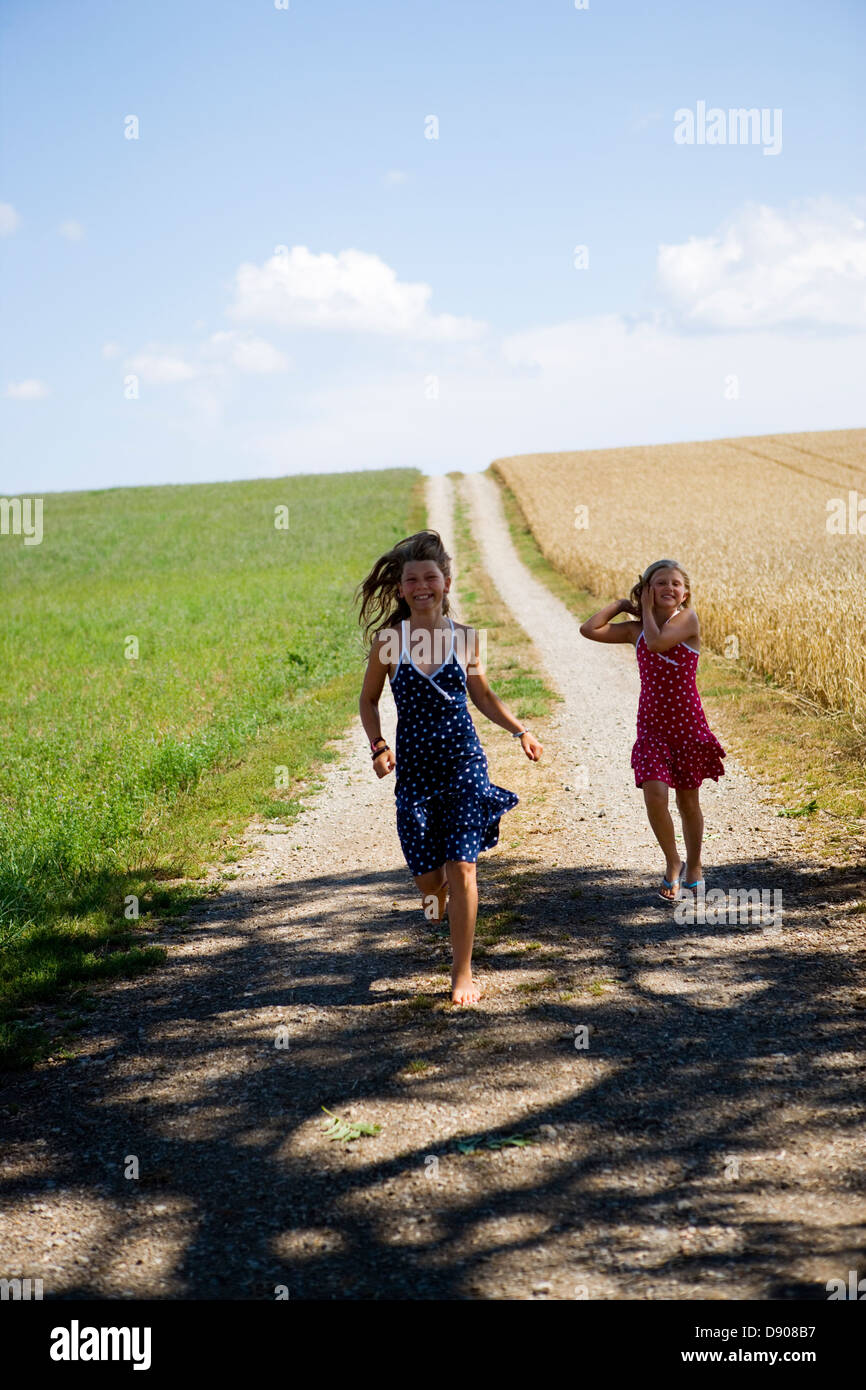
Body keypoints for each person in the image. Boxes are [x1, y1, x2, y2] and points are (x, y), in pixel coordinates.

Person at [357, 530, 543, 1004]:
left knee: (463, 869)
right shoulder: (388, 642)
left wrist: (519, 730)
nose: (422, 586)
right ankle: (434, 892)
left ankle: (462, 974)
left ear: (446, 581)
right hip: (415, 775)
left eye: (430, 577)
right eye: (412, 579)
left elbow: (481, 696)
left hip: (464, 766)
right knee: (427, 880)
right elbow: (369, 700)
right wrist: (378, 744)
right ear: (400, 589)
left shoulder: (467, 639)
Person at [579, 559, 725, 902]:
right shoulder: (635, 630)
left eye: (676, 583)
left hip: (688, 727)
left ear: (685, 593)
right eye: (660, 583)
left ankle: (695, 867)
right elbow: (589, 629)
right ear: (647, 589)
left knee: (689, 802)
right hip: (652, 730)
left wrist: (643, 610)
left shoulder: (688, 620)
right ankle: (673, 860)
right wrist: (621, 605)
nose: (669, 588)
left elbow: (658, 643)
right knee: (655, 796)